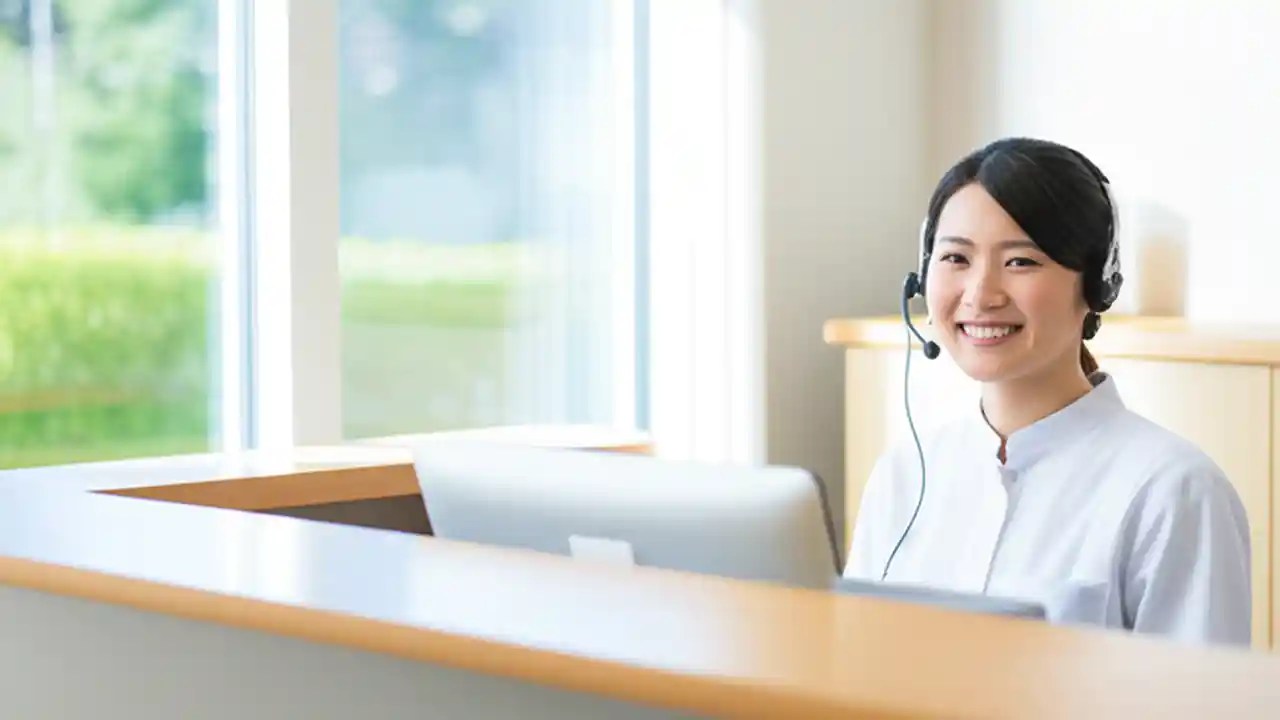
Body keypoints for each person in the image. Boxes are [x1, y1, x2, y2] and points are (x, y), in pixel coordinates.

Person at [843, 137, 1251, 647]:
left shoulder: (1174, 490)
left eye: (1021, 262)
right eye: (955, 258)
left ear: (1097, 283)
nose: (981, 295)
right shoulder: (904, 473)